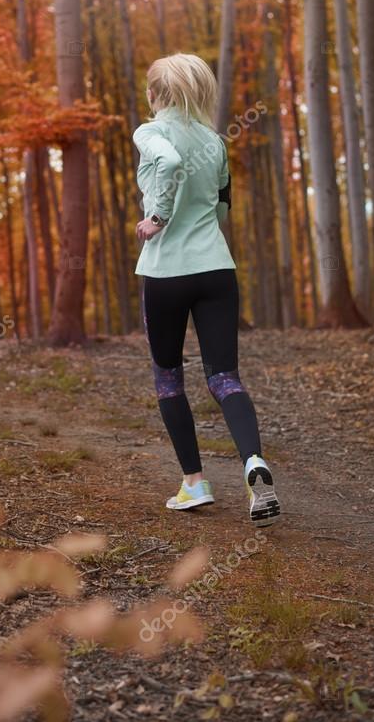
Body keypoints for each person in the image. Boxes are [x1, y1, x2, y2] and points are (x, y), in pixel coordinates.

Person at [133, 52, 281, 526]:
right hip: (217, 270)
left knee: (169, 380)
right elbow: (221, 205)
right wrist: (201, 231)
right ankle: (254, 462)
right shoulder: (215, 141)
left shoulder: (150, 131)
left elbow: (170, 161)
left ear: (156, 94)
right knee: (224, 378)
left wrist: (156, 218)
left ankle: (194, 485)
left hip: (165, 274)